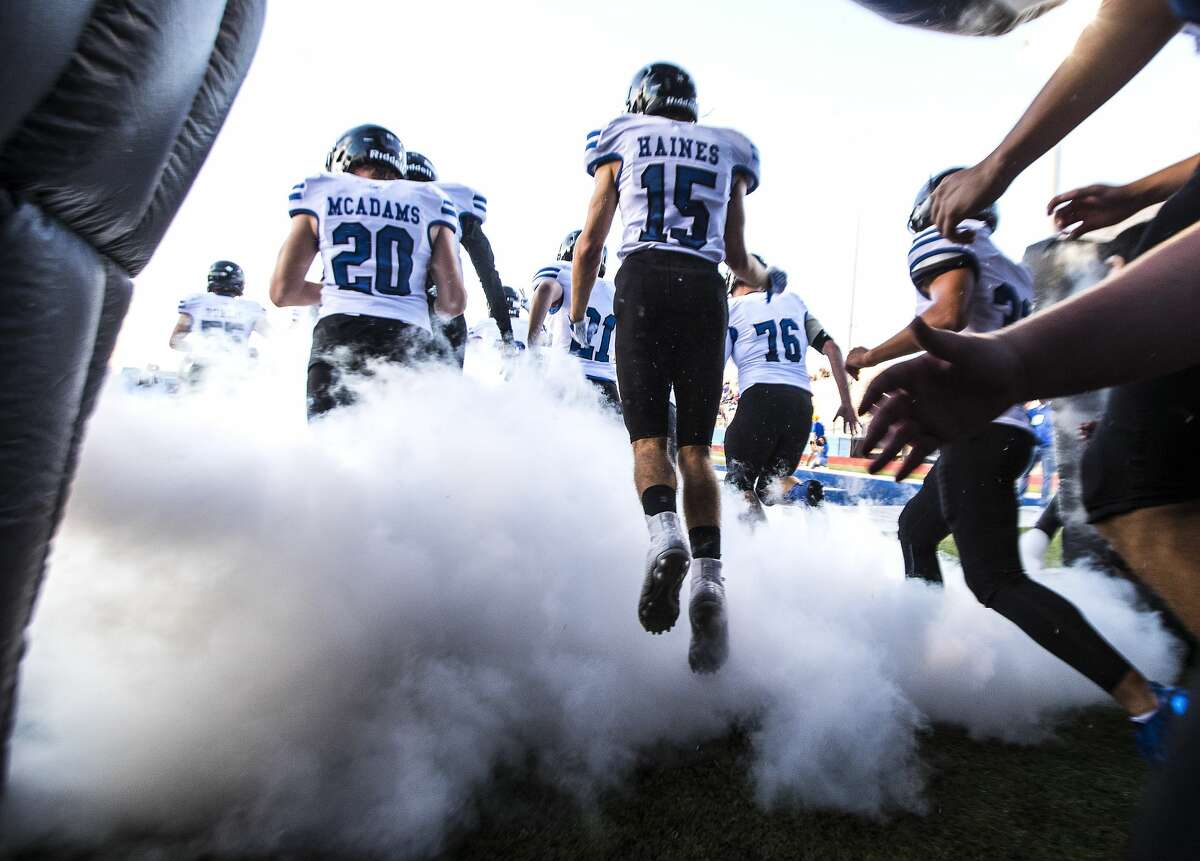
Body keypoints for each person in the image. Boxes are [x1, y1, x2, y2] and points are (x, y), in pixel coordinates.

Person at [847, 170, 1181, 759]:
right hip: (1003, 426)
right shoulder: (1014, 267)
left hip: (979, 427)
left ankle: (1146, 702)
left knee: (996, 580)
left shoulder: (946, 241)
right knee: (916, 529)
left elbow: (948, 314)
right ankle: (924, 658)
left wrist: (871, 355)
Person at [570, 62, 784, 674]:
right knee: (696, 452)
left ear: (640, 102)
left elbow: (589, 242)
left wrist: (581, 311)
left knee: (647, 440)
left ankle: (665, 538)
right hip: (704, 288)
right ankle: (710, 582)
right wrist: (771, 281)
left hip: (641, 281)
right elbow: (741, 259)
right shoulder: (730, 147)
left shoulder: (622, 137)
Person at [269, 124, 467, 418]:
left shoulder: (320, 190)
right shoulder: (431, 199)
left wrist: (345, 289)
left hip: (339, 334)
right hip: (408, 336)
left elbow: (283, 292)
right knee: (403, 453)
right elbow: (453, 303)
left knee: (332, 449)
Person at [722, 256, 858, 520]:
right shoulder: (793, 302)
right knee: (769, 485)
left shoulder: (731, 307)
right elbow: (831, 348)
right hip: (800, 403)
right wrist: (846, 402)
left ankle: (758, 551)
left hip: (760, 397)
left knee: (738, 484)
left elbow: (716, 364)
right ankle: (803, 492)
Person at [404, 151, 513, 368]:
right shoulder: (454, 205)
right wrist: (506, 334)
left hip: (401, 312)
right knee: (443, 398)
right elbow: (488, 275)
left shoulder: (377, 203)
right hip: (446, 314)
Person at [526, 230, 620, 410]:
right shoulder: (614, 291)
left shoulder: (563, 274)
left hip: (565, 378)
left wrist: (532, 344)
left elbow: (545, 289)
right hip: (606, 386)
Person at [170, 260, 269, 384]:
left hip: (201, 371)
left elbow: (174, 342)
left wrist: (198, 350)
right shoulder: (251, 309)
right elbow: (274, 338)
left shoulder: (196, 303)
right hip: (234, 371)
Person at [1017, 400, 1055, 503]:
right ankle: (1019, 497)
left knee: (1047, 474)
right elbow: (1024, 416)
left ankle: (1043, 500)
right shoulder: (1034, 411)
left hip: (1048, 447)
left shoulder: (1053, 410)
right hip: (1034, 446)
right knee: (1025, 471)